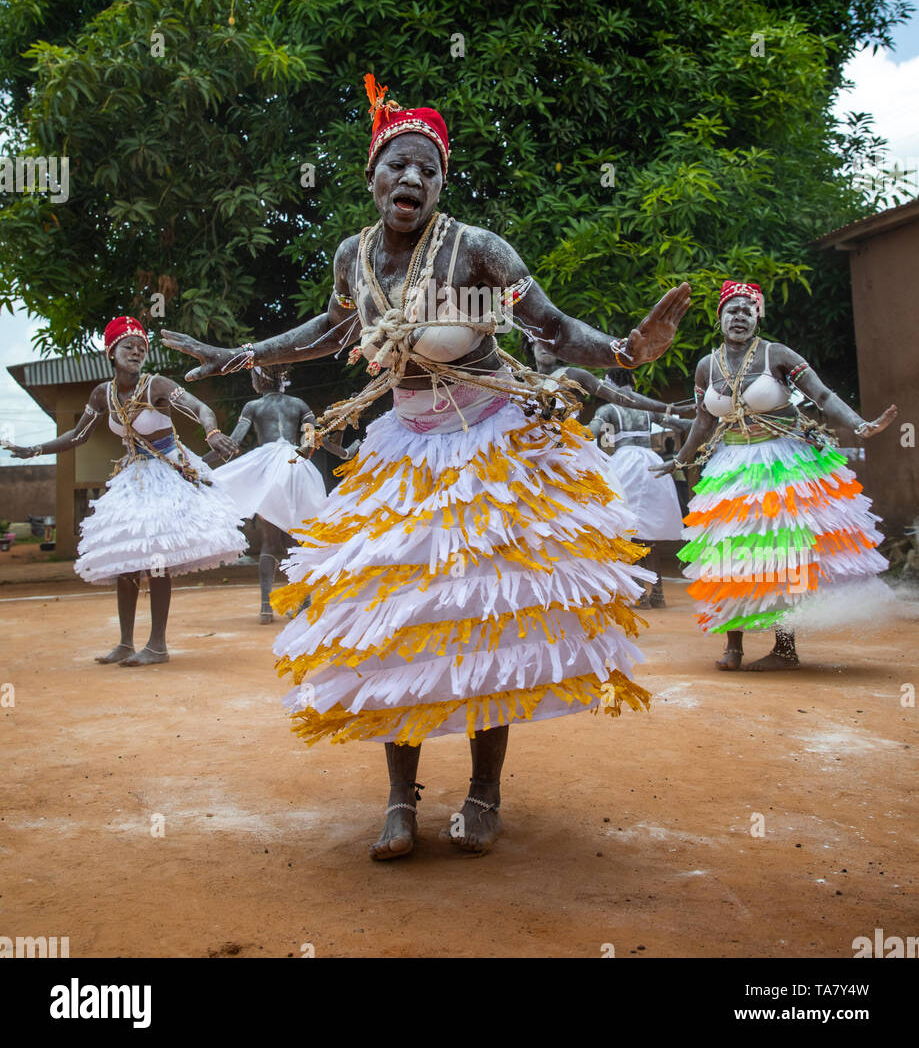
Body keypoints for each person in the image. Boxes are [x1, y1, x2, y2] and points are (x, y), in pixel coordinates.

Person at [163, 75, 691, 858]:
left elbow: (548, 326)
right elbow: (330, 330)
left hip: (489, 448)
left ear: (441, 183)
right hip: (403, 452)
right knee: (395, 620)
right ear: (372, 176)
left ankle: (483, 793)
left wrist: (621, 351)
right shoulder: (353, 256)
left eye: (428, 170)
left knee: (483, 623)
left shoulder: (477, 250)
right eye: (397, 166)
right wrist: (242, 354)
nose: (411, 179)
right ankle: (400, 797)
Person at [655, 281, 896, 671]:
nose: (739, 317)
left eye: (747, 310)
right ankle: (733, 646)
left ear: (758, 316)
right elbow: (702, 421)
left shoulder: (776, 355)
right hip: (730, 468)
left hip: (782, 465)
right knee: (730, 555)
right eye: (731, 310)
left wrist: (860, 424)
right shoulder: (706, 365)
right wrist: (679, 461)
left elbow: (824, 396)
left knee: (783, 554)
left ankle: (785, 646)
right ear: (719, 317)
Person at [7, 317, 247, 665]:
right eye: (128, 347)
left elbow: (201, 409)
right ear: (111, 352)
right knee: (127, 560)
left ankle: (158, 645)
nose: (136, 352)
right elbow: (77, 436)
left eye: (141, 348)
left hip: (168, 474)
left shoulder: (157, 385)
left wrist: (211, 433)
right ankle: (124, 642)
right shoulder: (100, 395)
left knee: (157, 560)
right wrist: (34, 450)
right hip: (133, 478)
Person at [531, 347, 693, 607]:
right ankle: (658, 591)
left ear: (607, 383)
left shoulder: (608, 410)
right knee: (648, 534)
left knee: (627, 531)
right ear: (633, 381)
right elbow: (678, 424)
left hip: (625, 466)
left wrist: (563, 431)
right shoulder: (645, 408)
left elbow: (591, 433)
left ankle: (639, 591)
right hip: (651, 467)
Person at [205, 365, 351, 622]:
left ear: (259, 381)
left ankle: (265, 608)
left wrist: (199, 462)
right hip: (297, 468)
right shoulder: (298, 403)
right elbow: (318, 438)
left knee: (269, 542)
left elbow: (232, 444)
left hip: (269, 469)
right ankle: (303, 603)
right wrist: (345, 453)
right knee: (298, 539)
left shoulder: (253, 407)